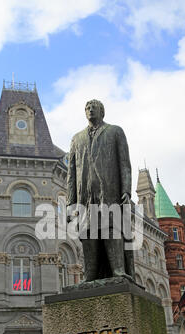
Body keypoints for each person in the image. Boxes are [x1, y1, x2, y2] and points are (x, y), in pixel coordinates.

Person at [67, 99, 135, 283]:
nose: (90, 110)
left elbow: (124, 164)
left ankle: (118, 270)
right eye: (87, 108)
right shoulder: (77, 138)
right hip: (85, 196)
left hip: (110, 191)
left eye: (93, 108)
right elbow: (71, 173)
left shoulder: (115, 131)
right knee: (87, 233)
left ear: (102, 112)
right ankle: (90, 275)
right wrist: (69, 203)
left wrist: (126, 191)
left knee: (112, 228)